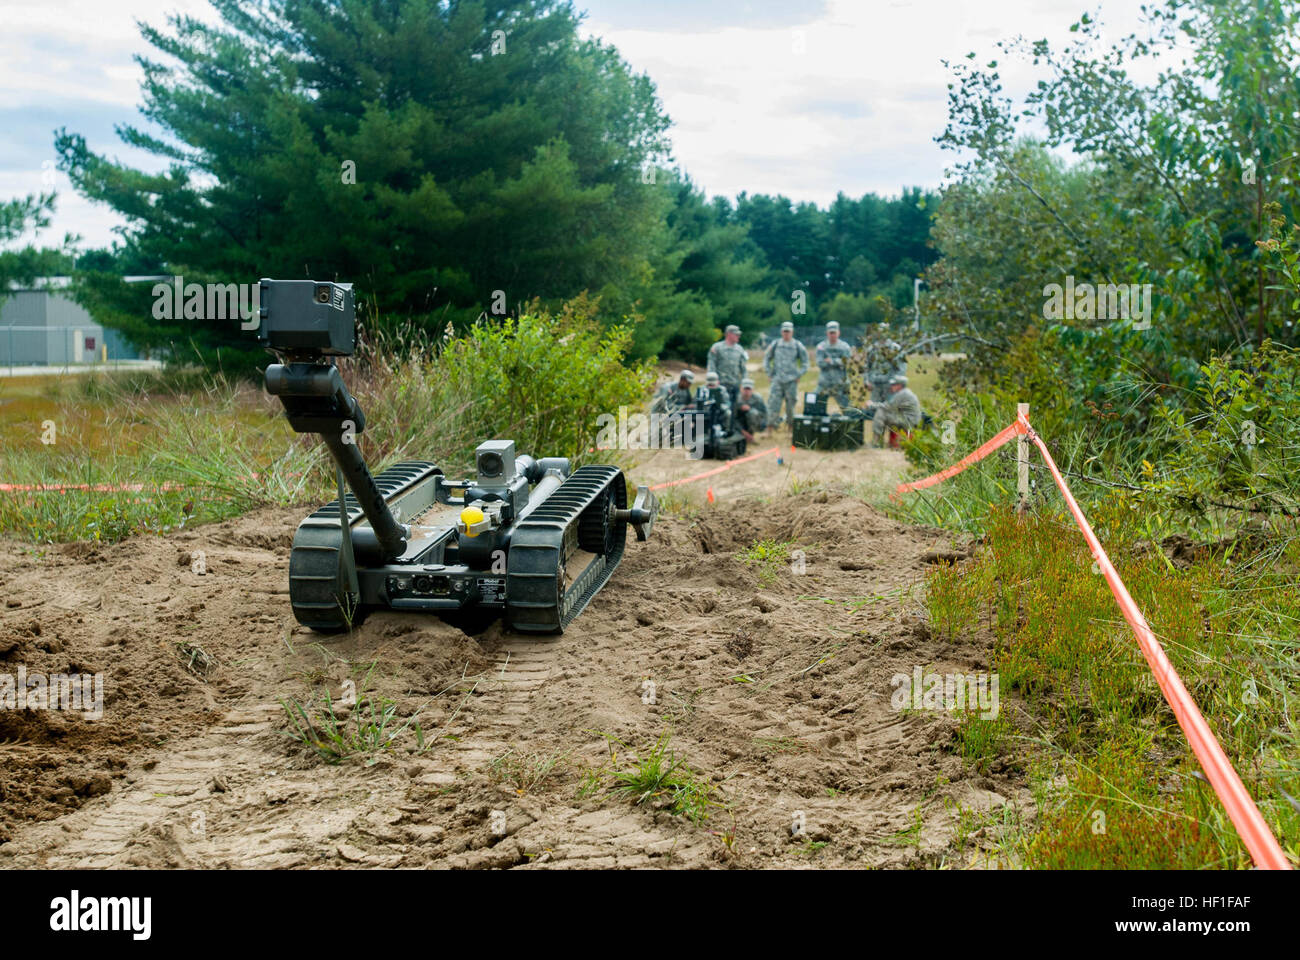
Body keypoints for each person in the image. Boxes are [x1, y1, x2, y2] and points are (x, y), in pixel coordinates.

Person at [763, 320, 809, 427]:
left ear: (792, 332)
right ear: (781, 332)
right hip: (777, 379)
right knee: (773, 404)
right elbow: (766, 359)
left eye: (788, 331)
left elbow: (806, 363)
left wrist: (799, 375)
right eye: (784, 331)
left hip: (791, 381)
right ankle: (770, 427)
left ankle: (790, 428)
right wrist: (769, 373)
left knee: (790, 406)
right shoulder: (776, 344)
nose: (786, 333)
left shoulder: (797, 345)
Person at [869, 375, 922, 448]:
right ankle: (878, 441)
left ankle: (876, 442)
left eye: (894, 384)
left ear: (900, 385)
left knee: (881, 412)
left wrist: (871, 405)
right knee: (883, 413)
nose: (891, 386)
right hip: (909, 420)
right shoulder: (905, 392)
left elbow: (888, 406)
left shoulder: (903, 394)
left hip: (908, 422)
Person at [815, 320, 853, 412]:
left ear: (838, 333)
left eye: (834, 333)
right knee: (815, 407)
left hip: (840, 384)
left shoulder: (844, 347)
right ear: (827, 333)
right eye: (830, 333)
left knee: (848, 411)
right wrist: (838, 361)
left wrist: (831, 361)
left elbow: (846, 362)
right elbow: (820, 363)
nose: (832, 335)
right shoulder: (821, 347)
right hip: (824, 384)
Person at [864, 325, 907, 404]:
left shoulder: (895, 348)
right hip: (875, 387)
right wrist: (867, 381)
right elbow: (867, 367)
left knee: (890, 409)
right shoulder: (872, 349)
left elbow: (901, 369)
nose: (881, 334)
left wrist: (896, 384)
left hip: (890, 386)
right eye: (879, 332)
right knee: (874, 410)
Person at [707, 324, 748, 407]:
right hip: (720, 385)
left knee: (734, 410)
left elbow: (743, 369)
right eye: (736, 334)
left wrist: (744, 384)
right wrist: (713, 382)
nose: (738, 336)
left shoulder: (740, 349)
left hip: (734, 385)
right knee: (718, 409)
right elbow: (711, 366)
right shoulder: (717, 347)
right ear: (729, 334)